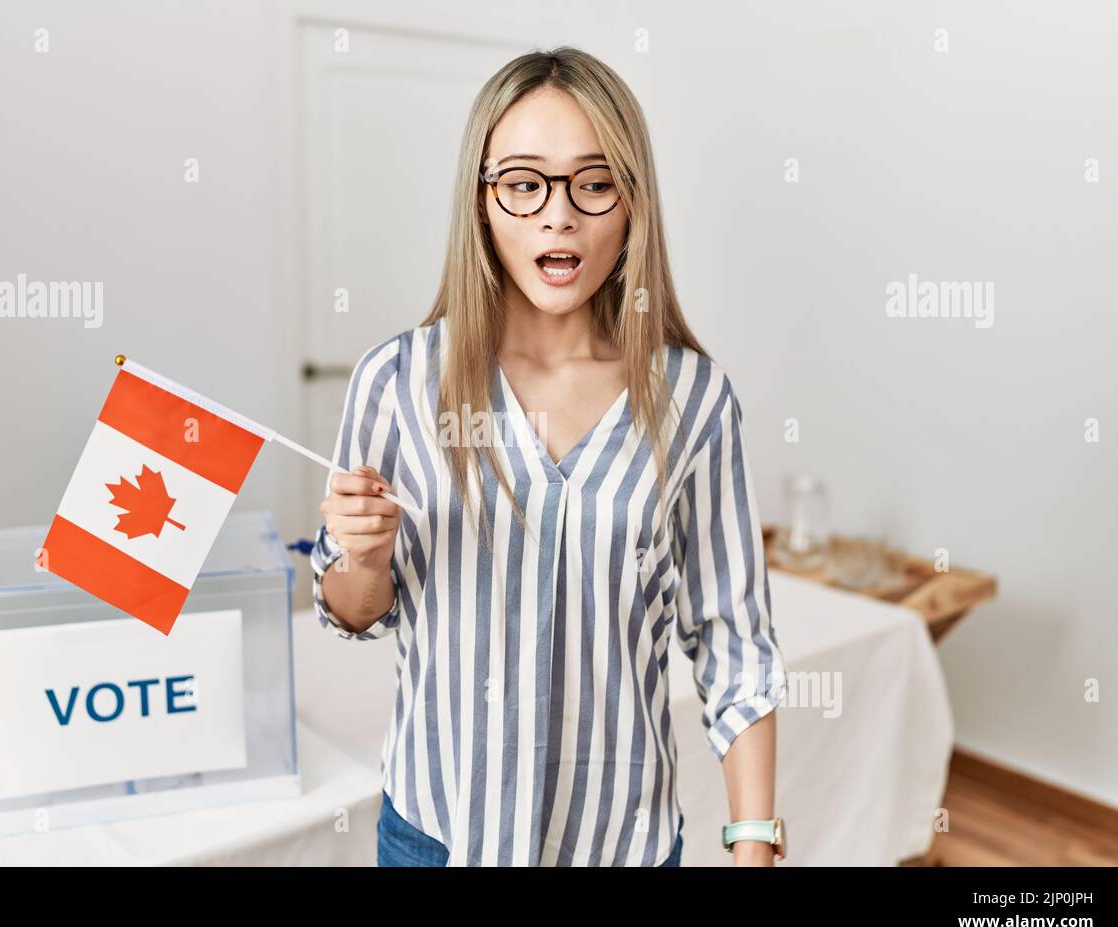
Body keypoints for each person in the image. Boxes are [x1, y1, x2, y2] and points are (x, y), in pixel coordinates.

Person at [312, 46, 788, 867]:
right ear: (483, 201)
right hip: (438, 834)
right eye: (524, 183)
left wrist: (755, 844)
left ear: (632, 203)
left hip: (623, 843)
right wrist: (363, 556)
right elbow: (353, 610)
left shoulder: (694, 400)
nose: (557, 216)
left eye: (593, 183)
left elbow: (734, 643)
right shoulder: (397, 380)